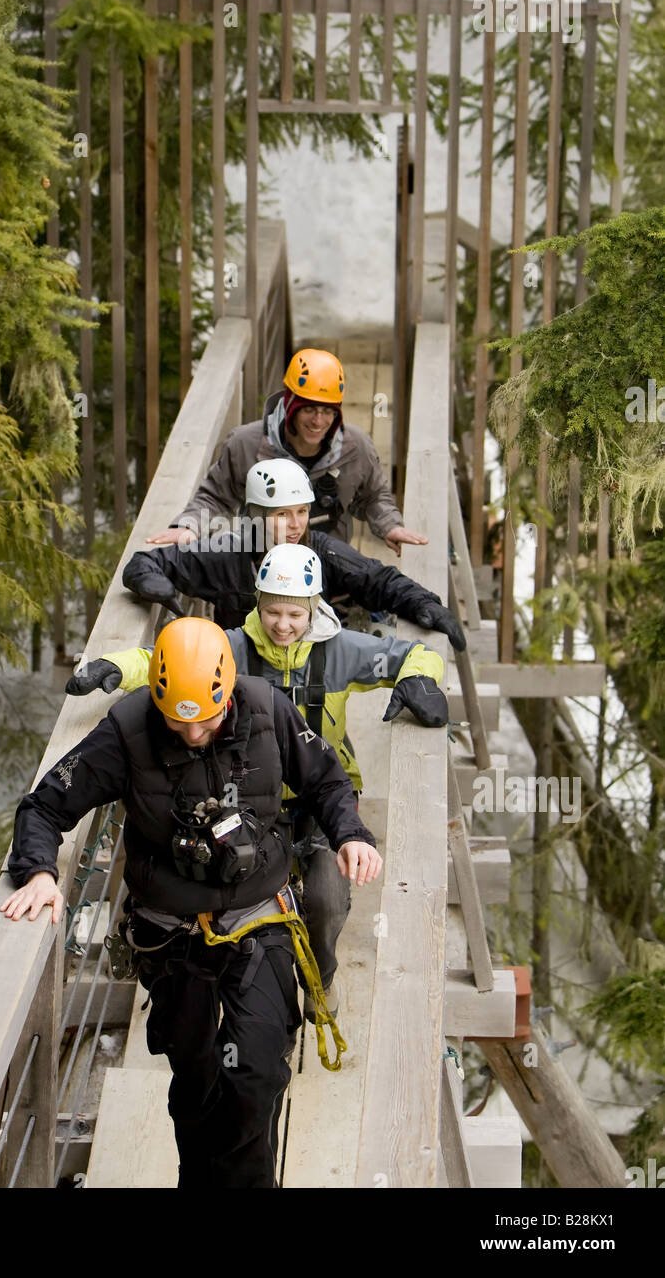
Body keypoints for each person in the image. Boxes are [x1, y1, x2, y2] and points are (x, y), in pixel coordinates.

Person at [1, 616, 381, 1189]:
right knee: (198, 1079)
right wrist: (38, 871)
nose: (194, 732)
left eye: (205, 716)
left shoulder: (268, 709)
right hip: (172, 933)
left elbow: (327, 780)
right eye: (180, 721)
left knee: (254, 1071)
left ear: (228, 691)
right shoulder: (129, 729)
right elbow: (45, 804)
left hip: (261, 916)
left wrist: (351, 833)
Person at [66, 545, 448, 1018]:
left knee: (327, 898)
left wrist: (420, 681)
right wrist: (118, 668)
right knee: (241, 889)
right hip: (245, 796)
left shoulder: (342, 650)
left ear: (314, 608)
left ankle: (320, 979)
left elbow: (414, 654)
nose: (282, 625)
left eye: (294, 614)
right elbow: (167, 660)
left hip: (321, 790)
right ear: (257, 605)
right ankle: (243, 997)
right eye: (271, 611)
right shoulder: (233, 648)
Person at [120, 456, 465, 642]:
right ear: (255, 516)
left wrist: (423, 602)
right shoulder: (228, 553)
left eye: (301, 512)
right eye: (282, 515)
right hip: (240, 675)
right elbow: (148, 562)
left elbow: (377, 579)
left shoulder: (322, 552)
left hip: (308, 679)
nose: (297, 525)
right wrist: (151, 581)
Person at [147, 347, 426, 555]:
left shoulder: (357, 449)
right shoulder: (246, 444)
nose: (318, 422)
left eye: (328, 411)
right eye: (309, 410)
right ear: (291, 404)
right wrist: (188, 527)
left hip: (327, 575)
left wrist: (390, 525)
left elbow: (373, 496)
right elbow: (214, 497)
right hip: (256, 572)